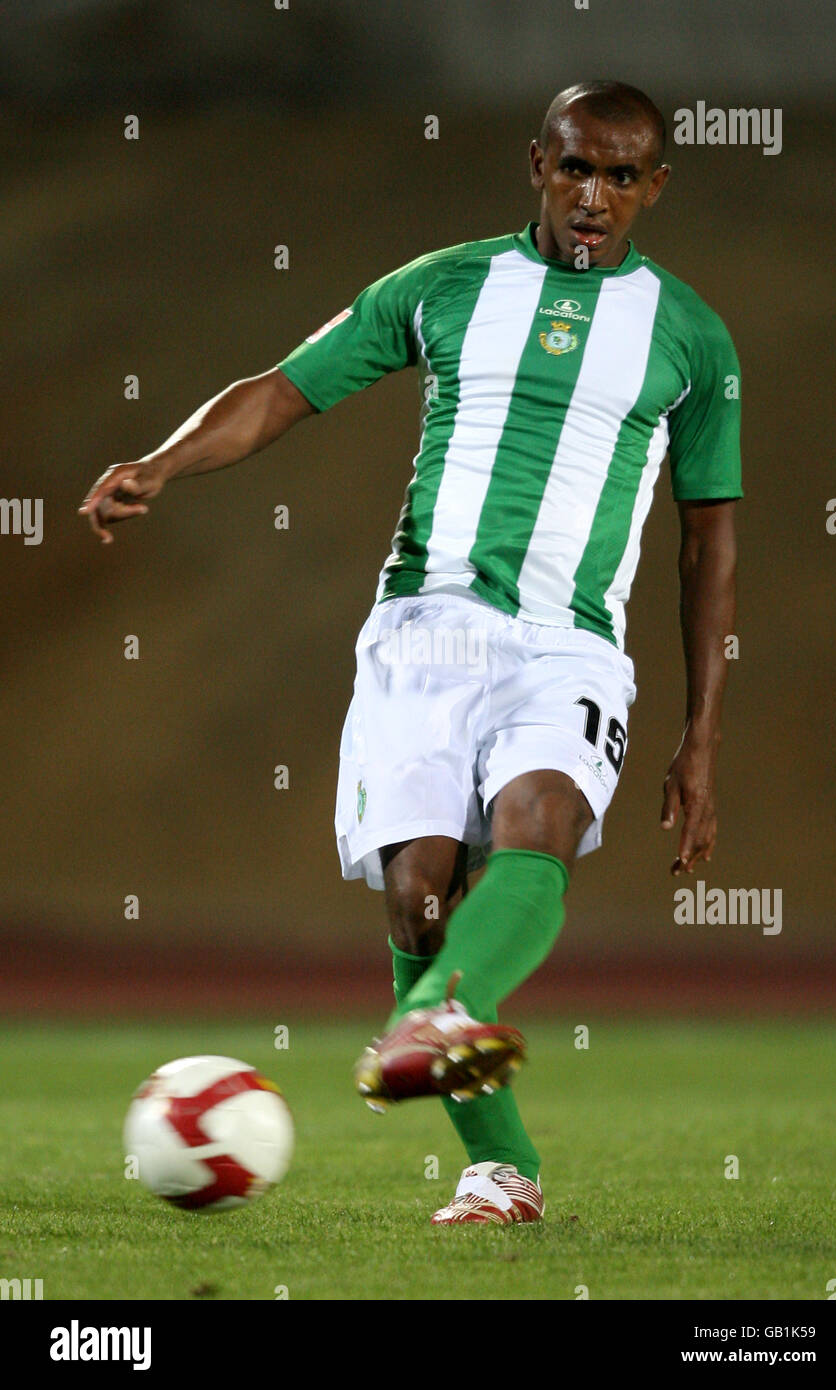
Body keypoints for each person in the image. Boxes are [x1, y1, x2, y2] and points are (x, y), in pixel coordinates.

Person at [80, 81, 741, 1227]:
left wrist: (700, 731)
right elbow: (283, 390)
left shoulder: (687, 335)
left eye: (621, 176)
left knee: (538, 821)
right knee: (415, 895)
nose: (594, 197)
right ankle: (502, 1162)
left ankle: (438, 1016)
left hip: (568, 644)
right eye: (576, 167)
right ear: (536, 161)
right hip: (421, 631)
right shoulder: (440, 287)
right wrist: (163, 461)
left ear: (654, 187)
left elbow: (705, 544)